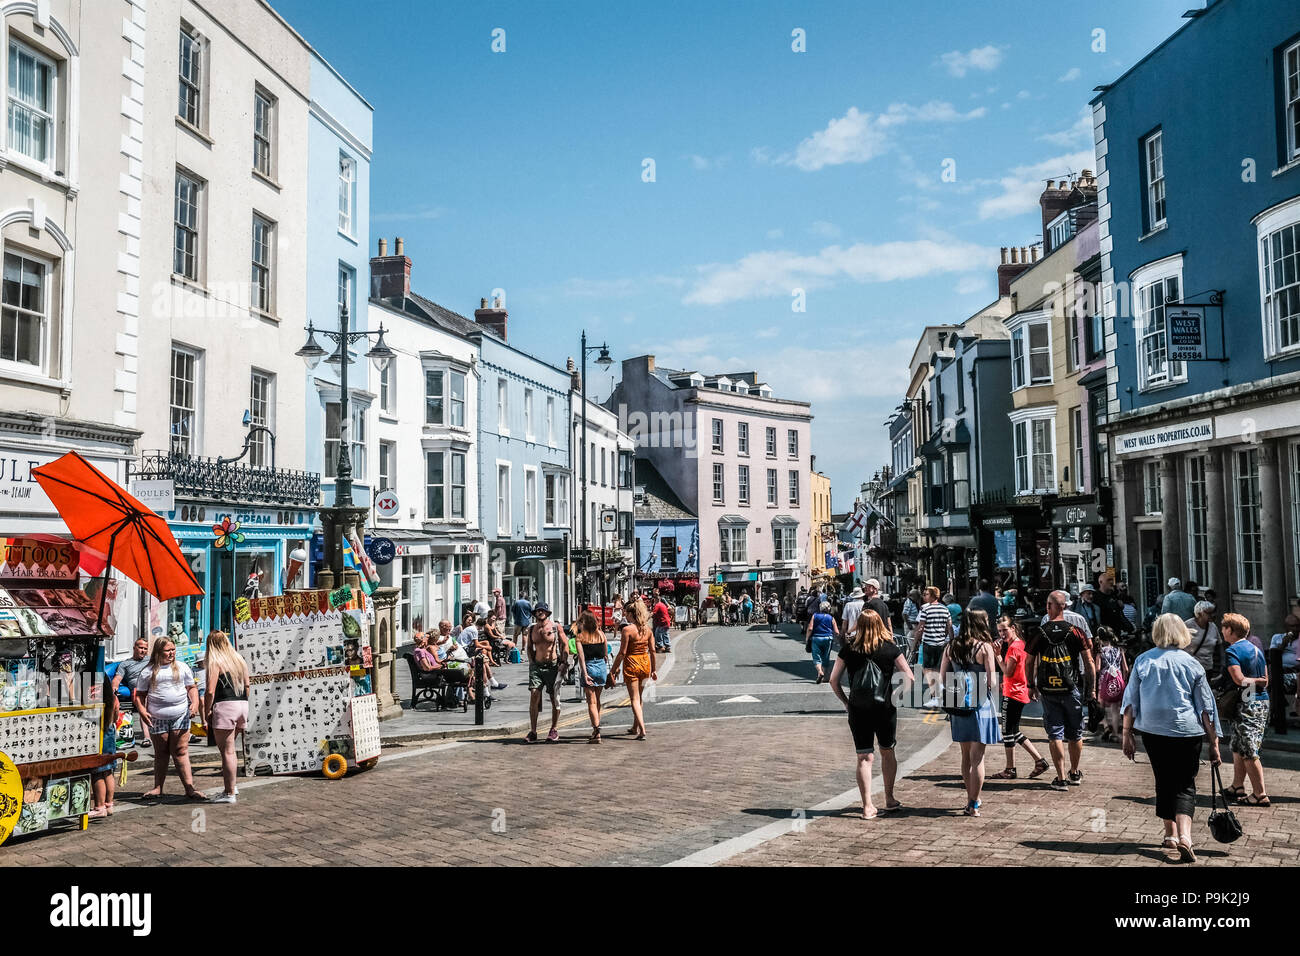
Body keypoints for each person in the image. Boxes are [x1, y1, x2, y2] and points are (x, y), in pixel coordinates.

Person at [1121, 613, 1222, 863]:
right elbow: (1205, 707)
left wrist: (1126, 734)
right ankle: (1185, 837)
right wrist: (1215, 742)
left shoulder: (1143, 661)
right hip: (1187, 731)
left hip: (1154, 731)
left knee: (1163, 779)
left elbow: (1130, 702)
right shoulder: (1192, 664)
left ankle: (1170, 834)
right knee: (1185, 784)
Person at [829, 609, 913, 819]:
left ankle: (867, 806)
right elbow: (909, 677)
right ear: (880, 625)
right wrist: (895, 695)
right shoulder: (890, 648)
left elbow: (833, 680)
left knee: (864, 757)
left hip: (858, 708)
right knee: (887, 751)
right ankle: (889, 798)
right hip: (884, 707)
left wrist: (846, 702)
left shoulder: (849, 649)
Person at [1028, 591, 1097, 791]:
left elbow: (1029, 660)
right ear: (1064, 606)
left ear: (1050, 606)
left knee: (1055, 733)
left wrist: (1031, 685)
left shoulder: (1040, 632)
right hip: (1071, 686)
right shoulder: (1076, 631)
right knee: (1075, 733)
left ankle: (1060, 778)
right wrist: (1091, 690)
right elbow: (1089, 661)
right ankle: (1074, 773)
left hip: (1049, 689)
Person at [939, 609, 1001, 816]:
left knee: (965, 756)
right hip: (980, 705)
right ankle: (973, 804)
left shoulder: (951, 646)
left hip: (958, 704)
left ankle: (970, 798)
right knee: (978, 759)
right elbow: (992, 681)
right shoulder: (985, 648)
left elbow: (942, 678)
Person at [131, 637, 205, 801]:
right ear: (158, 652)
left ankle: (189, 788)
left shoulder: (182, 667)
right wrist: (142, 711)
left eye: (173, 649)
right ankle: (158, 788)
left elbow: (191, 687)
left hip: (180, 715)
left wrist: (194, 703)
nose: (171, 653)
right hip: (157, 717)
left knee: (180, 751)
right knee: (161, 753)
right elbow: (140, 695)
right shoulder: (148, 671)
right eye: (168, 650)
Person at [1218, 613, 1270, 807]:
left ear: (1231, 630)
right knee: (1238, 745)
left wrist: (1256, 681)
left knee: (1248, 749)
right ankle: (1237, 786)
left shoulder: (1233, 651)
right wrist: (1260, 682)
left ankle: (1260, 794)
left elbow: (1239, 679)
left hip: (1248, 703)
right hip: (1260, 701)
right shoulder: (1256, 649)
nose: (1222, 631)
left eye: (1224, 628)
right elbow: (1265, 680)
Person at [990, 617, 1050, 780]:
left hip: (1013, 693)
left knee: (1007, 731)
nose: (1002, 634)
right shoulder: (1022, 645)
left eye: (1005, 630)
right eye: (1000, 631)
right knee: (1014, 730)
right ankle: (1039, 760)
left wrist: (997, 656)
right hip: (1019, 690)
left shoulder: (1013, 648)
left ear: (1013, 628)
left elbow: (1007, 671)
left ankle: (1010, 769)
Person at [202, 631, 248, 804]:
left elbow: (210, 691)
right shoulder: (238, 660)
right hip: (242, 705)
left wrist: (207, 712)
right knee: (231, 750)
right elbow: (248, 685)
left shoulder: (215, 663)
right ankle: (232, 786)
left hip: (224, 705)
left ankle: (229, 793)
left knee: (226, 751)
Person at [611, 598, 657, 739]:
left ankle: (642, 729)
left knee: (634, 699)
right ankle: (635, 727)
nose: (624, 615)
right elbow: (653, 651)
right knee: (640, 698)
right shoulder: (647, 630)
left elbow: (622, 653)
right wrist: (654, 670)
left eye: (626, 614)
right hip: (645, 665)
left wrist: (613, 669)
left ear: (631, 614)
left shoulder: (627, 630)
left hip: (632, 664)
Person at [522, 602, 568, 743]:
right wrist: (531, 662)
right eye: (538, 610)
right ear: (535, 613)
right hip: (537, 666)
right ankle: (533, 731)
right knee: (534, 694)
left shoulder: (555, 627)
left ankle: (553, 729)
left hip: (553, 666)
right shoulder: (532, 629)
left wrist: (563, 662)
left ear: (547, 613)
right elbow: (529, 647)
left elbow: (565, 644)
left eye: (543, 610)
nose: (540, 612)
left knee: (554, 699)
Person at [573, 611, 612, 743]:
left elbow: (581, 658)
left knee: (591, 702)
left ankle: (596, 731)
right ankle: (596, 727)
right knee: (597, 700)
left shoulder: (580, 637)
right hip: (601, 667)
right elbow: (606, 652)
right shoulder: (601, 634)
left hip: (589, 667)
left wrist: (584, 674)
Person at [912, 586, 954, 707]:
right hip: (941, 644)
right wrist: (949, 640)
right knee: (938, 670)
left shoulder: (926, 610)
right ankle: (938, 695)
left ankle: (934, 696)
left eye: (926, 594)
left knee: (928, 671)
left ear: (933, 596)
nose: (924, 596)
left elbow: (920, 628)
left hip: (929, 644)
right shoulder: (945, 609)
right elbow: (949, 627)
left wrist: (915, 644)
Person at [1093, 626, 1130, 742]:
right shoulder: (1119, 650)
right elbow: (1126, 669)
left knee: (1100, 706)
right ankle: (1114, 734)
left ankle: (1105, 727)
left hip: (1104, 681)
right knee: (1115, 709)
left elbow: (1098, 668)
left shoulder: (1100, 651)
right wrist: (1122, 679)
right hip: (1117, 681)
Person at [89, 674, 118, 818]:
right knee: (108, 770)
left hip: (98, 731)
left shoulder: (93, 693)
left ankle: (99, 806)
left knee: (97, 770)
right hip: (110, 728)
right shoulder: (111, 695)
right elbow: (117, 712)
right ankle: (109, 804)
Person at [805, 601, 839, 684]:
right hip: (828, 638)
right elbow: (837, 632)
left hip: (816, 638)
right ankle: (824, 678)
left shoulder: (815, 616)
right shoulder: (831, 618)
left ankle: (820, 672)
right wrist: (837, 640)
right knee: (825, 657)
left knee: (816, 657)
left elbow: (810, 628)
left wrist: (807, 638)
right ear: (828, 608)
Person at [1184, 601, 1220, 675]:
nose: (1213, 615)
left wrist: (1222, 663)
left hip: (1208, 668)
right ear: (1200, 613)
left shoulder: (1213, 626)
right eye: (1209, 613)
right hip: (1191, 668)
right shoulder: (1187, 625)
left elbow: (1220, 644)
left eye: (1213, 612)